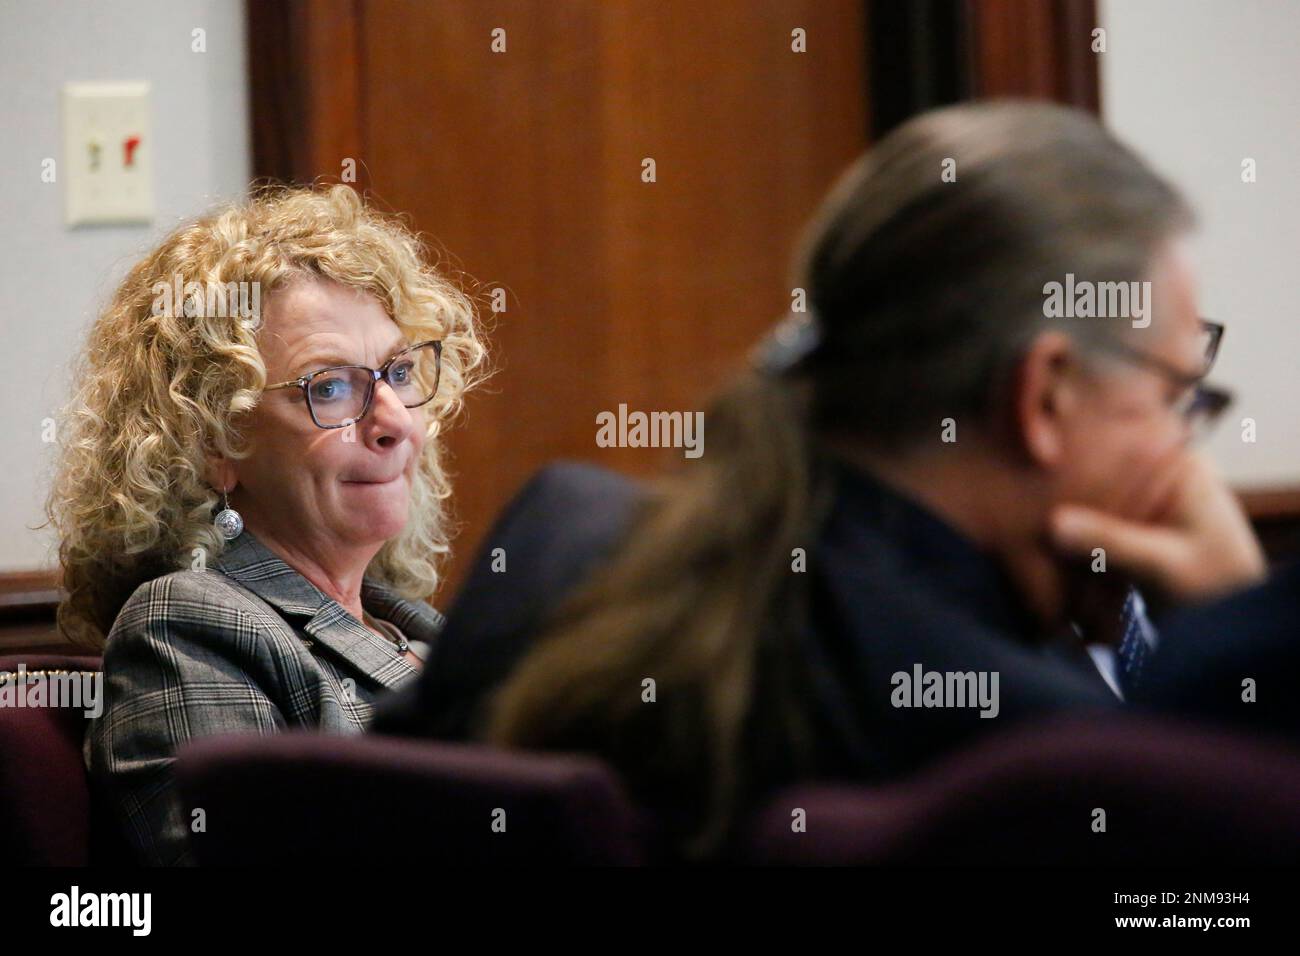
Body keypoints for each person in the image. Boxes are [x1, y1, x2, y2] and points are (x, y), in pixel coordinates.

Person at [373, 100, 1267, 860]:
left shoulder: (553, 545)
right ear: (1046, 397)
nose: (1184, 452)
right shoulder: (1046, 759)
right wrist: (1245, 655)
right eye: (1175, 396)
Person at [45, 184, 487, 865]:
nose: (395, 420)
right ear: (214, 441)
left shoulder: (414, 627)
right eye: (330, 387)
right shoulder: (186, 628)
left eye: (398, 371)